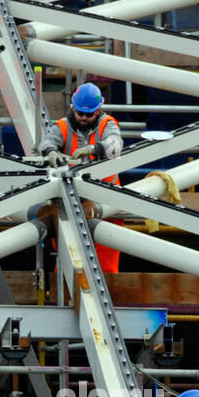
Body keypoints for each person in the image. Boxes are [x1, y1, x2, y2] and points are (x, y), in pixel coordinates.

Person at [38, 82, 123, 272]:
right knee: (69, 262)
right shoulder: (63, 126)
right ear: (73, 108)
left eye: (89, 114)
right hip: (71, 200)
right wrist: (51, 151)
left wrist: (95, 149)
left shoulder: (107, 124)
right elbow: (47, 142)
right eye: (80, 114)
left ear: (98, 110)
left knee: (106, 266)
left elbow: (115, 145)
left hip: (105, 201)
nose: (84, 118)